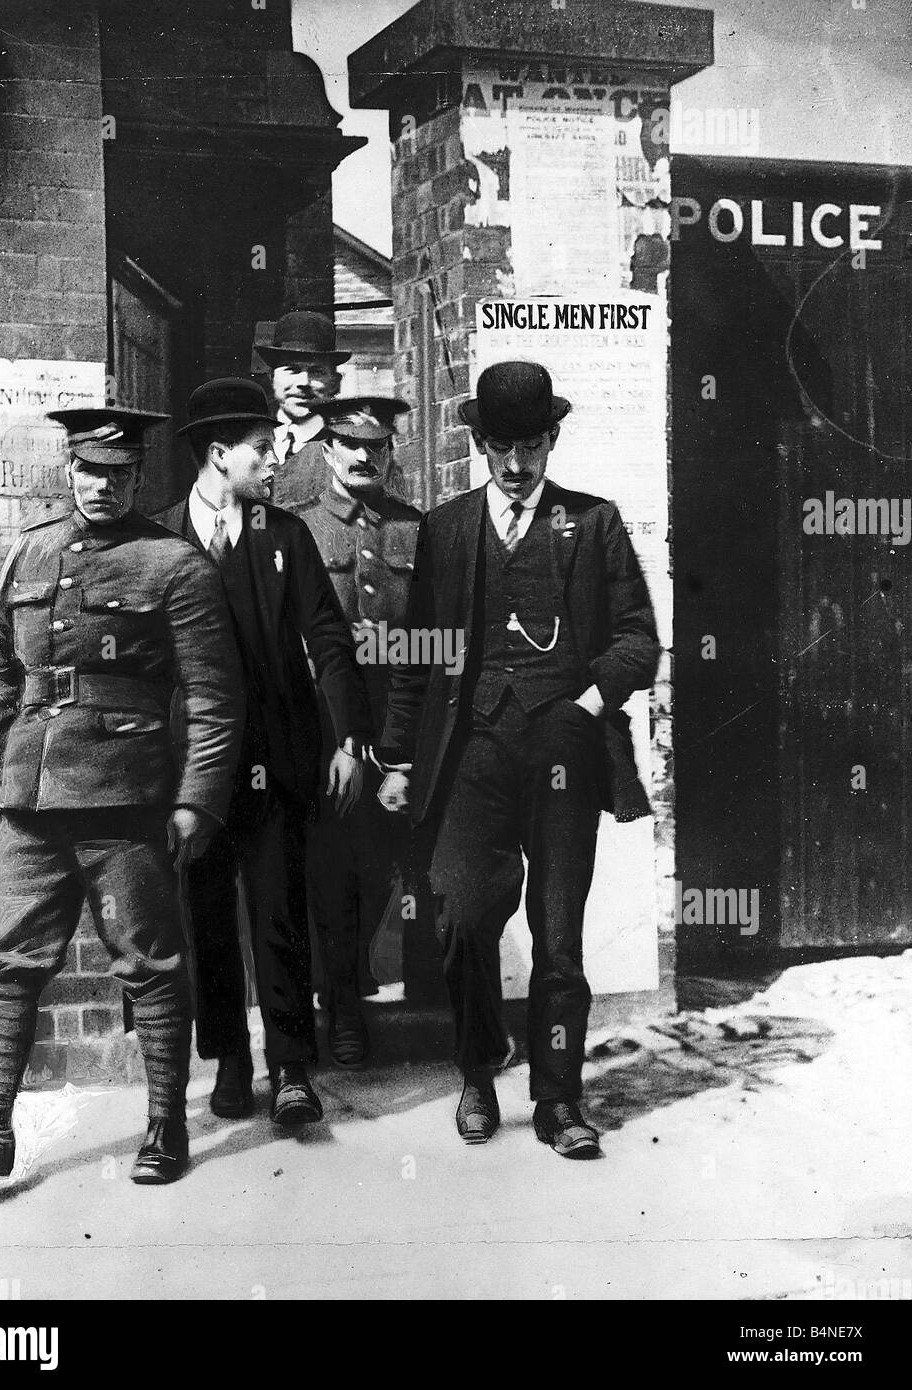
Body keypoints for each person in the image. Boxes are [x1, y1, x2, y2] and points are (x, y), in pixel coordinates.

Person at [0, 408, 244, 1185]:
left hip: (126, 804)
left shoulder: (173, 564)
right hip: (29, 801)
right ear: (68, 470)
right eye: (87, 470)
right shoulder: (32, 550)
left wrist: (197, 801)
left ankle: (165, 1128)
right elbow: (1, 672)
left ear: (138, 477)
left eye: (117, 473)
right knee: (6, 960)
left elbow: (214, 696)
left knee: (151, 966)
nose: (100, 485)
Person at [375, 361, 660, 1158]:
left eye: (529, 446)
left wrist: (589, 703)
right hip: (472, 753)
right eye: (500, 446)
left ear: (551, 439)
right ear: (479, 442)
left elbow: (638, 637)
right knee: (460, 914)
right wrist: (397, 758)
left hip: (565, 747)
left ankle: (559, 1101)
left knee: (559, 940)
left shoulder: (593, 521)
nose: (515, 464)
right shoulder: (448, 528)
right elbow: (415, 654)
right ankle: (476, 1067)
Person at [153, 377, 372, 1126]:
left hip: (280, 756)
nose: (276, 457)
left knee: (280, 909)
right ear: (220, 454)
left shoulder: (285, 536)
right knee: (206, 916)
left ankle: (290, 1067)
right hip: (195, 770)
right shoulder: (161, 539)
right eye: (261, 447)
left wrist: (347, 738)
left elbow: (329, 638)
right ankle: (230, 1060)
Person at [295, 396, 425, 1066]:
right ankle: (340, 1007)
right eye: (349, 443)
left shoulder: (414, 530)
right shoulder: (299, 529)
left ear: (388, 452)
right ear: (327, 450)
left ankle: (371, 989)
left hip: (399, 722)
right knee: (330, 870)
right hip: (325, 726)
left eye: (375, 446)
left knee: (385, 867)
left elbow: (434, 640)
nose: (363, 455)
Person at [253, 309, 349, 510]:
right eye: (292, 369)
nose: (303, 382)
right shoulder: (251, 443)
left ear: (335, 382)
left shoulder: (351, 447)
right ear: (272, 377)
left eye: (317, 371)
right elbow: (254, 519)